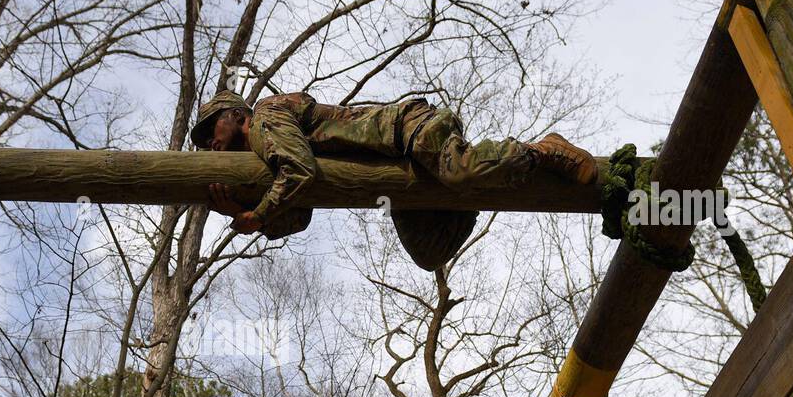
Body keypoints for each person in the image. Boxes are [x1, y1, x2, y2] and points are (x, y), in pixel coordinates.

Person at [191, 89, 598, 270]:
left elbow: (301, 171)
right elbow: (302, 216)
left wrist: (259, 215)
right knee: (428, 253)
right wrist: (246, 216)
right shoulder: (266, 154)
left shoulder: (264, 116)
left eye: (211, 130)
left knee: (462, 168)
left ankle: (542, 150)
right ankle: (467, 195)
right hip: (394, 175)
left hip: (402, 129)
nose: (210, 143)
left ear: (234, 115)